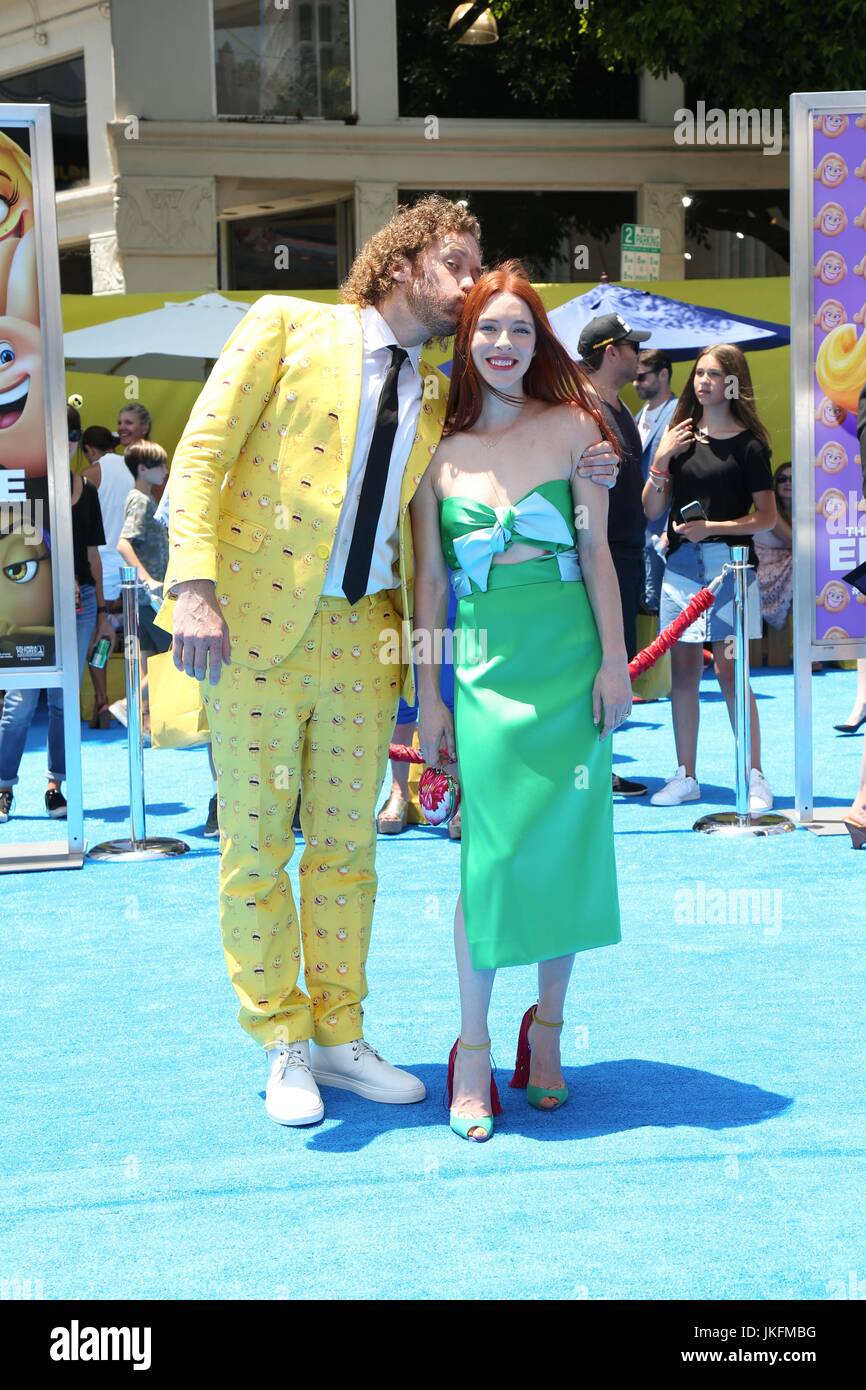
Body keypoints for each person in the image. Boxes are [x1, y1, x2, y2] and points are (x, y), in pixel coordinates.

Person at [153, 195, 619, 1130]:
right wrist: (192, 587)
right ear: (401, 261)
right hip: (256, 631)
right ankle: (281, 1039)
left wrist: (599, 461)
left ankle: (339, 1032)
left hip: (367, 641)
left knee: (348, 850)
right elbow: (199, 456)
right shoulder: (287, 324)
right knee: (254, 847)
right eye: (454, 260)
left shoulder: (438, 389)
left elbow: (465, 512)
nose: (467, 280)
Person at [411, 262, 630, 1142]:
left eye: (522, 331)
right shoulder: (435, 448)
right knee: (489, 859)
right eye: (489, 330)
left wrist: (615, 665)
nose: (505, 345)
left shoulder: (577, 429)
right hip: (484, 668)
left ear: (540, 343)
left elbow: (600, 555)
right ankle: (472, 1049)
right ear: (467, 341)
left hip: (570, 656)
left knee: (564, 845)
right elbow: (429, 583)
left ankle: (546, 1035)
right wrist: (427, 696)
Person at [642, 343, 777, 810]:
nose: (702, 381)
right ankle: (686, 775)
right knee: (682, 671)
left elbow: (765, 518)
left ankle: (754, 775)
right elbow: (650, 509)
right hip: (679, 570)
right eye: (699, 373)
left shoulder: (750, 445)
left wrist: (712, 527)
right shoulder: (679, 438)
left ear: (733, 382)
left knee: (730, 671)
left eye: (714, 374)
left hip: (731, 571)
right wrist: (661, 459)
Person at [0, 406, 113, 823]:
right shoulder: (24, 487)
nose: (64, 442)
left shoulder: (88, 488)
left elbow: (92, 556)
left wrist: (103, 611)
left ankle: (56, 786)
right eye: (57, 433)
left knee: (67, 699)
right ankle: (3, 787)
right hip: (36, 601)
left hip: (81, 602)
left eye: (72, 435)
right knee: (22, 699)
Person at [578, 313, 652, 797]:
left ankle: (597, 763)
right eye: (633, 347)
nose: (640, 355)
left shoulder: (617, 407)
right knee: (597, 661)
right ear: (611, 352)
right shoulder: (584, 409)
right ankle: (587, 768)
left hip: (621, 555)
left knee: (613, 660)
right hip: (598, 555)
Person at [110, 441, 173, 729]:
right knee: (173, 654)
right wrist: (148, 579)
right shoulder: (140, 500)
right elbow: (124, 542)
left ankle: (142, 723)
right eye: (160, 465)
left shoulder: (145, 499)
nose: (166, 470)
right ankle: (129, 705)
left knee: (148, 661)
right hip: (150, 597)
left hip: (144, 599)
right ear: (143, 469)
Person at [79, 425, 131, 729]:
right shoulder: (131, 465)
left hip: (104, 565)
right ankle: (137, 704)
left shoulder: (90, 474)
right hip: (132, 565)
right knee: (140, 640)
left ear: (89, 448)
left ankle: (102, 700)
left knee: (101, 638)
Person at [634, 349, 678, 613]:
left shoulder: (678, 412)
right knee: (646, 604)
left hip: (662, 527)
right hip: (639, 531)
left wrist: (671, 525)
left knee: (662, 607)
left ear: (663, 374)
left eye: (642, 377)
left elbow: (682, 474)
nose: (635, 383)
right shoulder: (636, 415)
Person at [753, 461, 793, 635]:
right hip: (763, 567)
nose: (788, 483)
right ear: (775, 485)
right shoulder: (770, 511)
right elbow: (795, 543)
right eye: (782, 479)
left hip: (784, 566)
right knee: (801, 566)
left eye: (793, 478)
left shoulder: (807, 511)